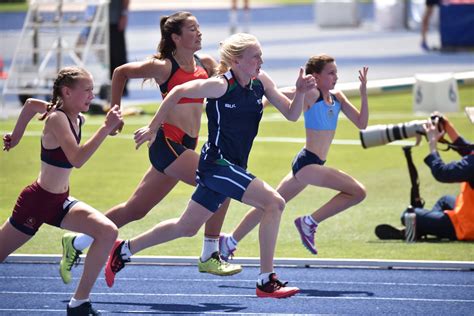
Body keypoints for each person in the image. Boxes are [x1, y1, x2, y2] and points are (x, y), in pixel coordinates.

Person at [104, 33, 316, 298]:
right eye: (255, 56)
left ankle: (123, 250)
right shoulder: (220, 85)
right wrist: (153, 126)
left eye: (261, 55)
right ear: (237, 61)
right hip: (217, 164)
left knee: (186, 227)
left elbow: (292, 114)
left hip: (233, 166)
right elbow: (178, 91)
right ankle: (266, 281)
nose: (261, 60)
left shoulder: (261, 81)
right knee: (274, 202)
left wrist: (301, 92)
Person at [59, 11, 242, 286]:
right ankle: (209, 253)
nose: (200, 33)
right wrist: (115, 110)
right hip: (166, 144)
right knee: (223, 182)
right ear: (176, 37)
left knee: (135, 209)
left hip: (186, 145)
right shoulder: (163, 67)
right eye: (193, 29)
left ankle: (77, 240)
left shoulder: (205, 62)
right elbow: (120, 73)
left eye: (199, 28)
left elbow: (230, 83)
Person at [219, 54, 368, 259]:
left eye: (336, 72)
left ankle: (229, 241)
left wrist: (363, 93)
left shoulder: (338, 97)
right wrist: (258, 104)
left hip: (311, 164)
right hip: (308, 165)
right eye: (331, 73)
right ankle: (309, 221)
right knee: (358, 192)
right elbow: (278, 94)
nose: (336, 77)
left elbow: (362, 123)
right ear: (315, 76)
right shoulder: (311, 94)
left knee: (269, 204)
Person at [0, 66, 123, 315]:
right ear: (67, 92)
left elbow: (32, 105)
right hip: (36, 202)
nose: (92, 94)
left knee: (107, 231)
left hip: (60, 202)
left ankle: (79, 304)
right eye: (86, 90)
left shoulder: (76, 117)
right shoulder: (57, 118)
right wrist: (105, 128)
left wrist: (16, 135)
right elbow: (77, 159)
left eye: (92, 89)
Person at [375, 113, 474, 241]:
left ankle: (419, 228)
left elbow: (442, 173)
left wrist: (432, 144)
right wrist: (447, 126)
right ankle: (423, 227)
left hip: (467, 226)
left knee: (408, 215)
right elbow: (466, 148)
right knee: (444, 200)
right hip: (469, 213)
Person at [109, 0, 129, 95]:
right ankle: (110, 84)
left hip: (114, 20)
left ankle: (122, 86)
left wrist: (124, 14)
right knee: (107, 56)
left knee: (118, 55)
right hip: (100, 19)